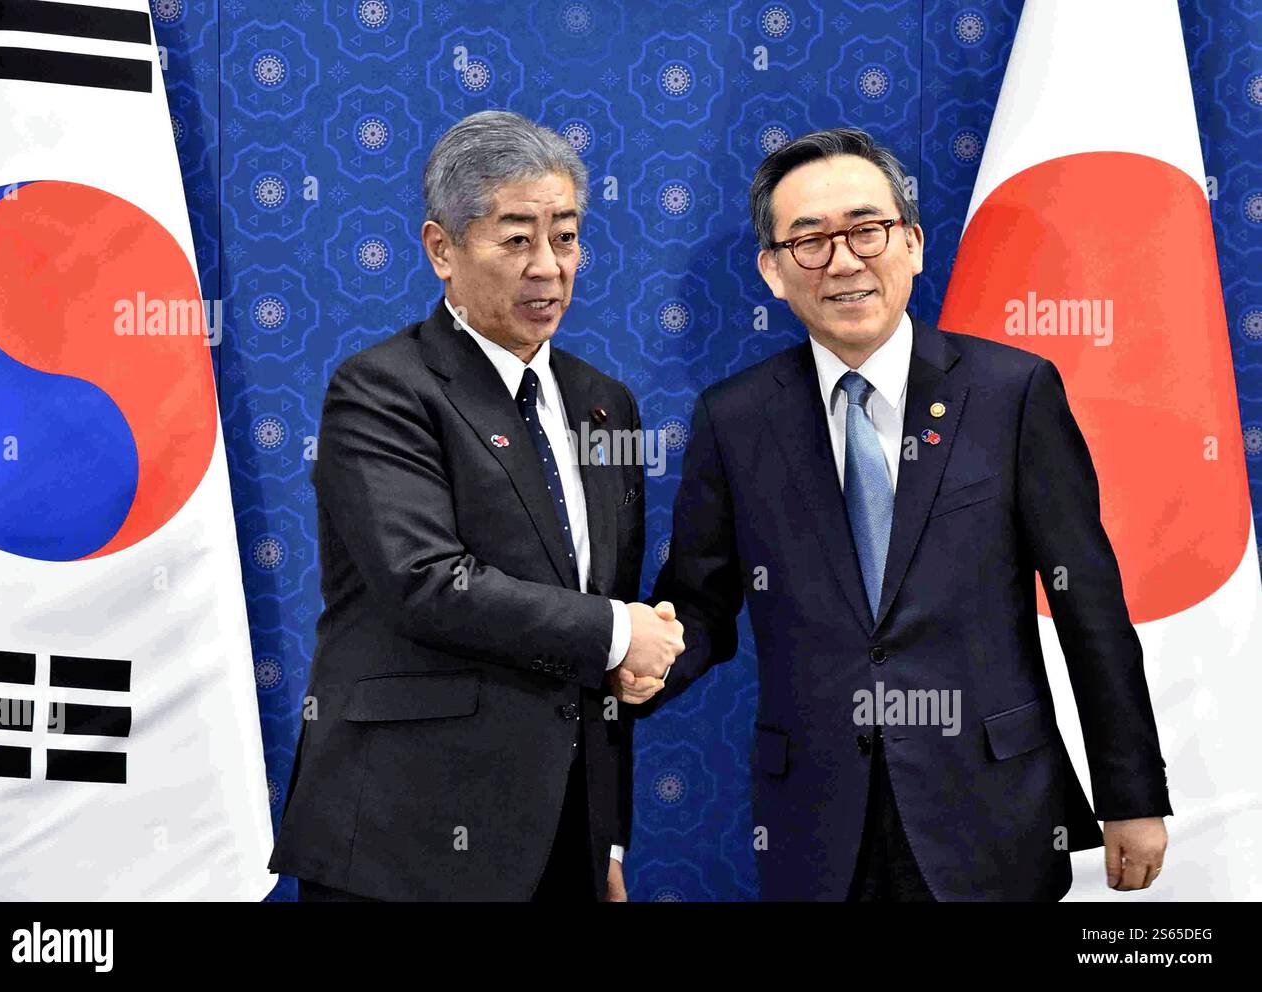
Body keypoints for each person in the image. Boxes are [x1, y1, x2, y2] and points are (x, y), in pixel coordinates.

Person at [641, 127, 1170, 901]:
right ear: (773, 271)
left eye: (867, 229)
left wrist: (1133, 795)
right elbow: (703, 602)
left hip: (992, 809)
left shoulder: (1011, 394)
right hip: (817, 822)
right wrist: (633, 659)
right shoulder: (735, 418)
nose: (844, 259)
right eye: (809, 241)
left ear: (913, 243)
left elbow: (1088, 605)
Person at [269, 111, 681, 901]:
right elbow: (426, 582)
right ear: (441, 250)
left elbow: (599, 615)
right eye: (516, 237)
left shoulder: (606, 406)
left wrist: (609, 837)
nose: (548, 268)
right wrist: (623, 632)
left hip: (566, 841)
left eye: (565, 237)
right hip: (406, 840)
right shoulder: (384, 388)